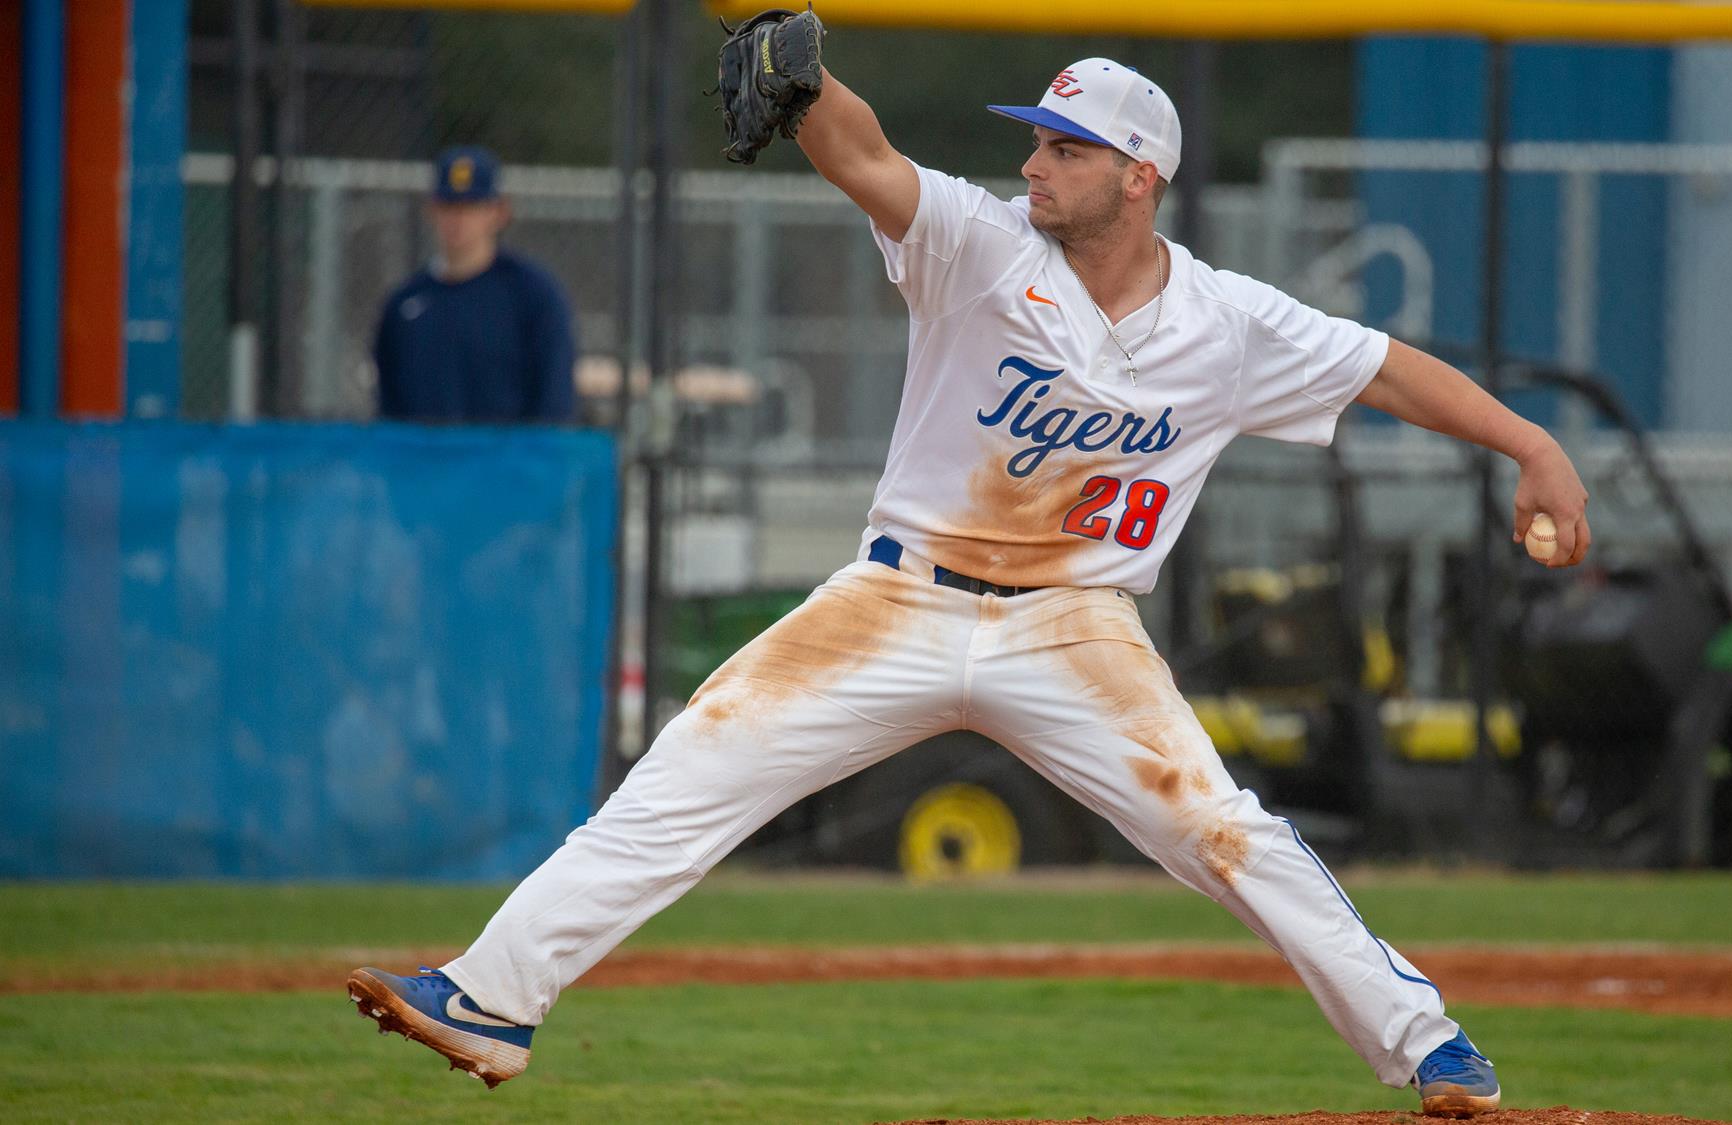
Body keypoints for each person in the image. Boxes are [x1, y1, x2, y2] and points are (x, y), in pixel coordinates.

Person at [346, 43, 1592, 1120]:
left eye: (1064, 147)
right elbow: (867, 161)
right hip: (896, 601)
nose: (1034, 164)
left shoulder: (1227, 323)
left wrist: (1531, 447)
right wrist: (808, 80)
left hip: (1075, 630)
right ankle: (490, 1000)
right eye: (1035, 141)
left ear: (1136, 175)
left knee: (1223, 834)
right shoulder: (978, 244)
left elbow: (1384, 371)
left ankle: (1424, 1040)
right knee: (688, 770)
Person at [371, 145, 576, 423]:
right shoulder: (406, 303)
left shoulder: (531, 294)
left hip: (507, 462)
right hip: (427, 462)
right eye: (449, 207)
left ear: (499, 211)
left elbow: (553, 397)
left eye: (472, 207)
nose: (459, 220)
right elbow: (390, 403)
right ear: (431, 209)